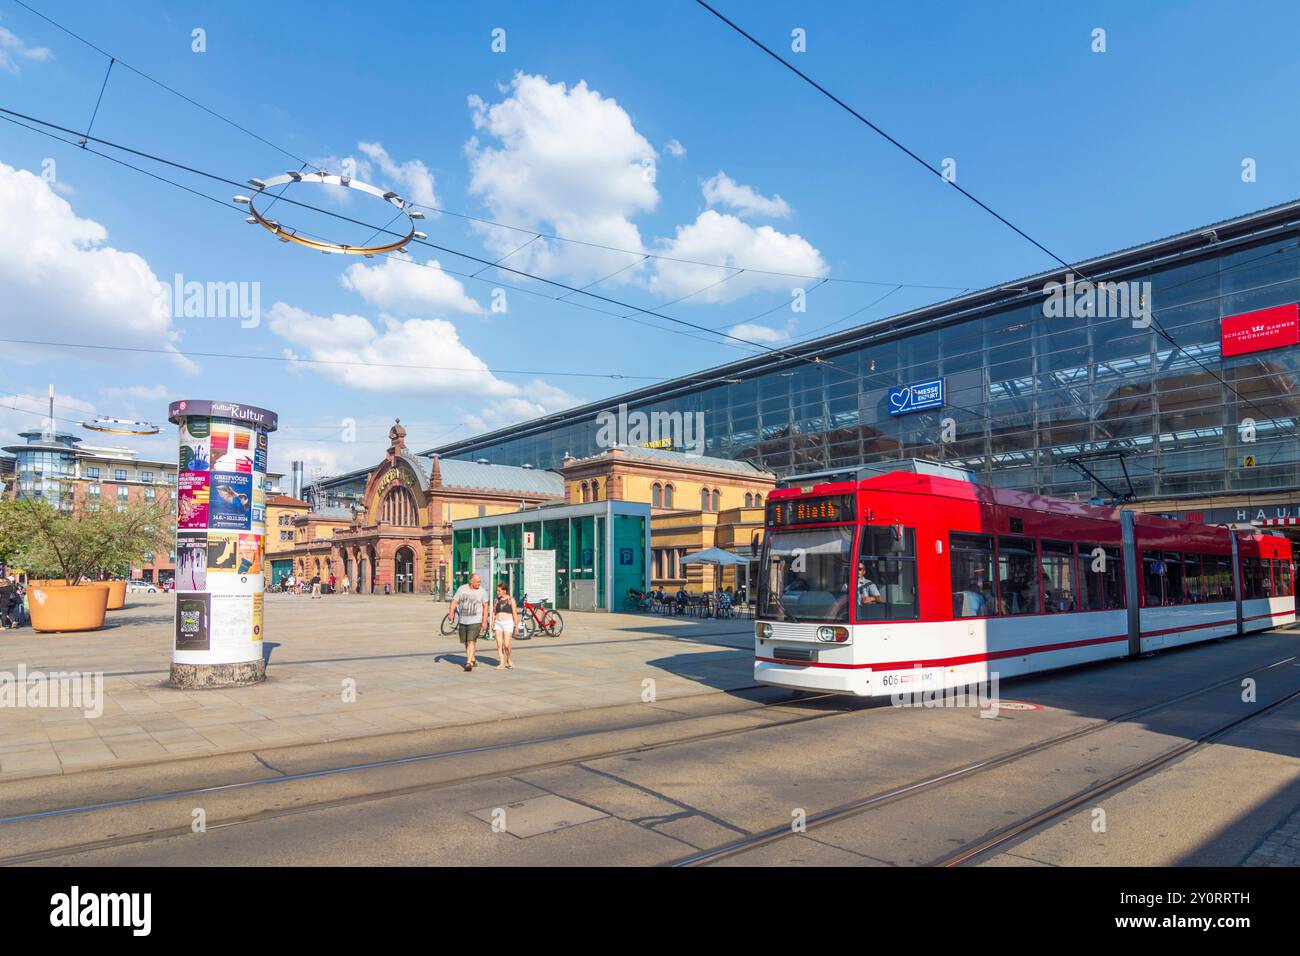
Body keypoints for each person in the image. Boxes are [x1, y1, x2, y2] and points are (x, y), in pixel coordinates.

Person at [451, 572, 490, 671]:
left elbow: (486, 607)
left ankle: (468, 663)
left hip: (475, 620)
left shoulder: (482, 591)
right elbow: (454, 601)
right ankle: (472, 658)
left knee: (471, 640)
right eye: (477, 582)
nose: (479, 583)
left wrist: (484, 621)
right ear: (471, 581)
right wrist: (451, 612)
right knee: (466, 642)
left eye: (479, 581)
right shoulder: (462, 589)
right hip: (463, 620)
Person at [490, 582, 518, 670]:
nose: (497, 592)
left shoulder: (511, 600)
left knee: (506, 644)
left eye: (499, 591)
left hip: (508, 623)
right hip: (498, 623)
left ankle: (509, 659)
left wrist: (516, 626)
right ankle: (502, 663)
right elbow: (494, 613)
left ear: (504, 591)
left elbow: (515, 613)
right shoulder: (496, 600)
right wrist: (492, 623)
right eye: (497, 591)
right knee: (499, 645)